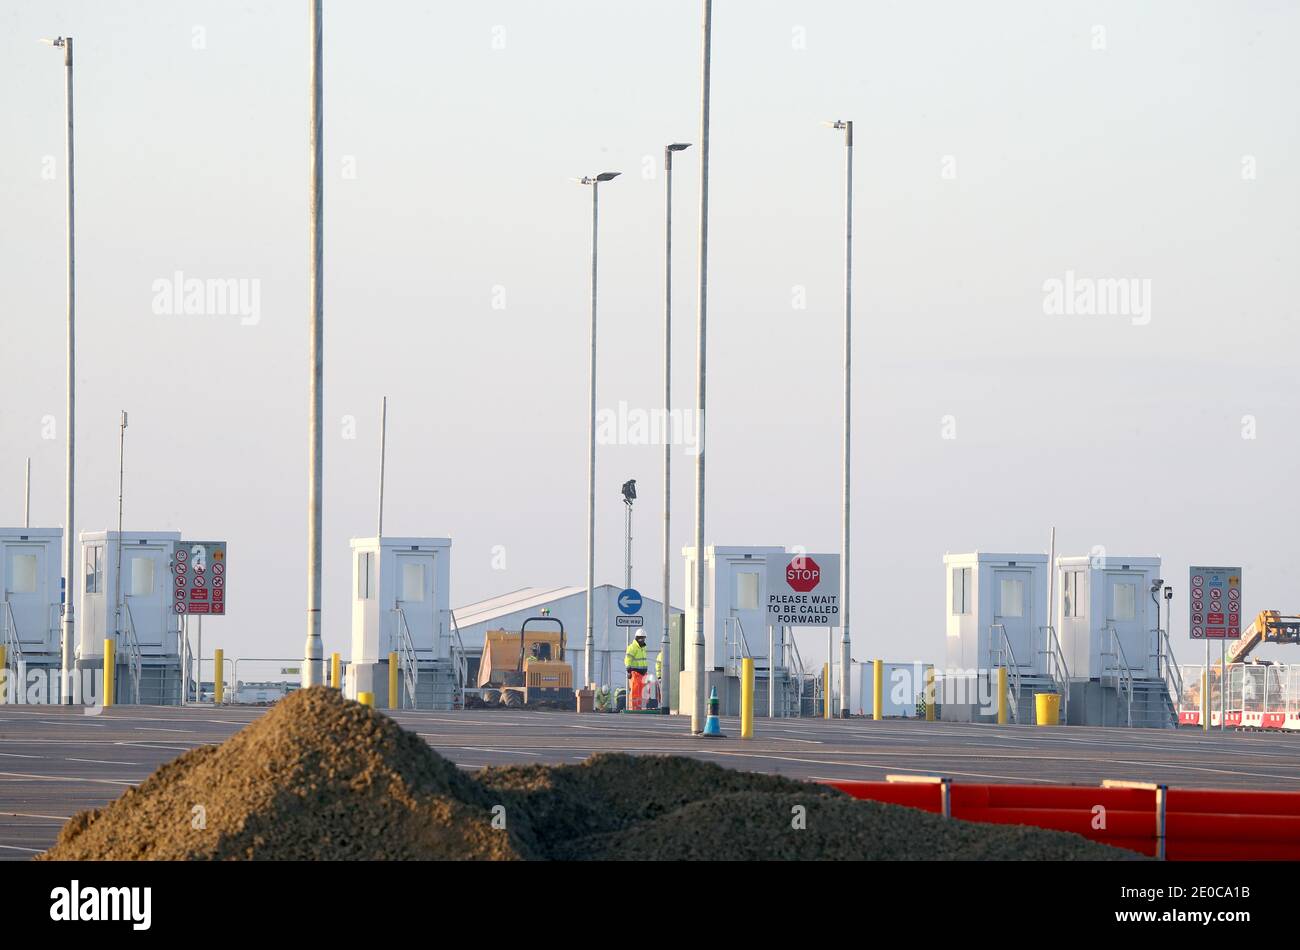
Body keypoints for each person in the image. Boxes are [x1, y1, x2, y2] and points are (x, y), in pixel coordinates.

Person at [625, 632, 648, 710]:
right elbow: (628, 659)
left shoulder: (643, 647)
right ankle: (633, 707)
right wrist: (628, 670)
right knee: (635, 692)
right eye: (642, 638)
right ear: (638, 638)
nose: (643, 640)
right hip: (635, 673)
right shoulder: (632, 647)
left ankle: (640, 707)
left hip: (643, 673)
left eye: (644, 638)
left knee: (643, 692)